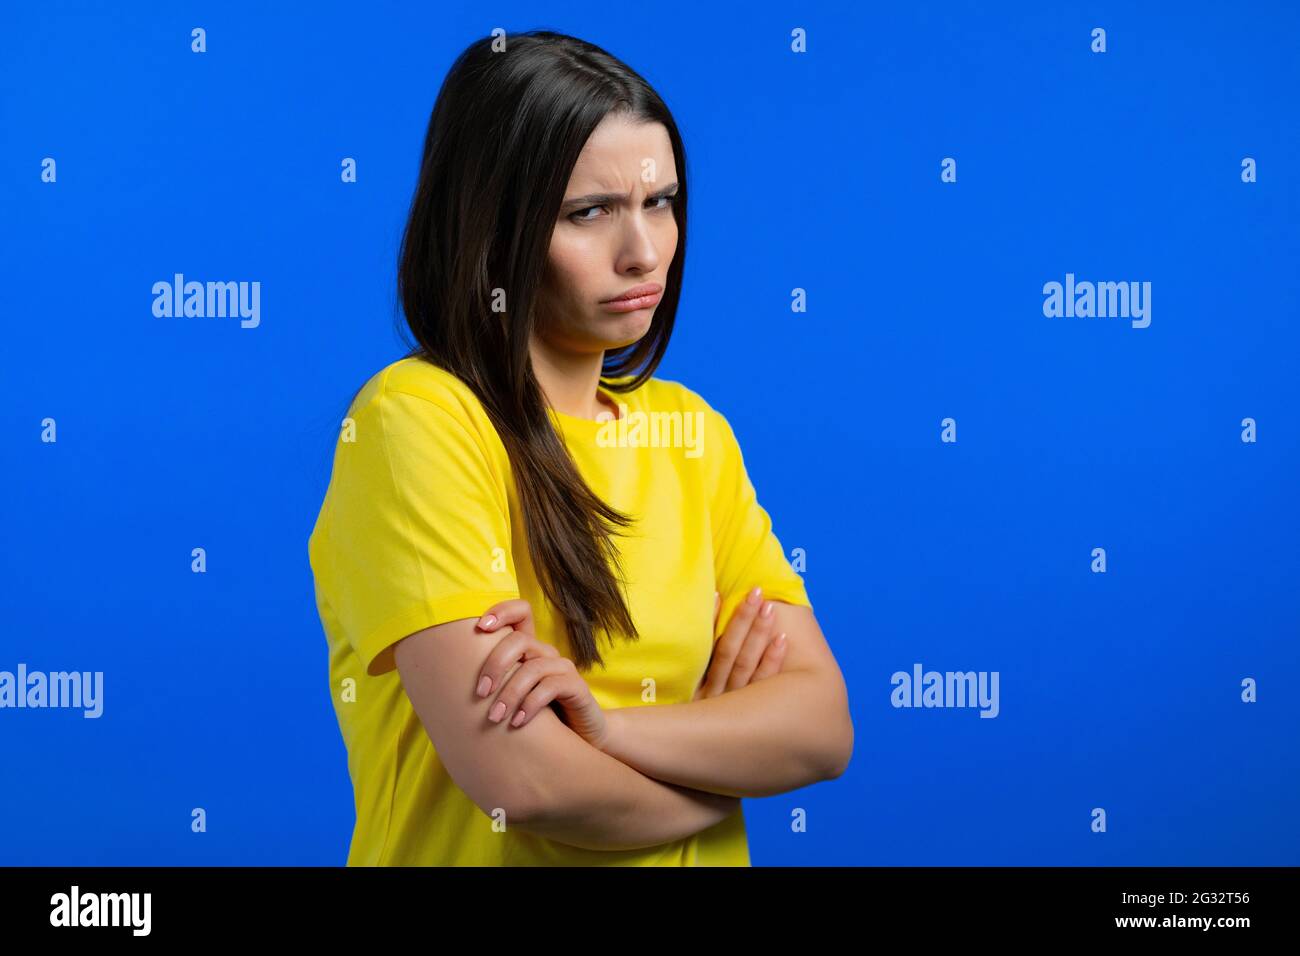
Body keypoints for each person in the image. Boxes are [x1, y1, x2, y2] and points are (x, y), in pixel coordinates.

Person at [307, 29, 853, 866]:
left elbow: (820, 729)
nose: (643, 252)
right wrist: (724, 761)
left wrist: (606, 729)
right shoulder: (417, 421)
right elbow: (524, 782)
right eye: (589, 212)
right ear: (492, 227)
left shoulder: (692, 434)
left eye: (660, 202)